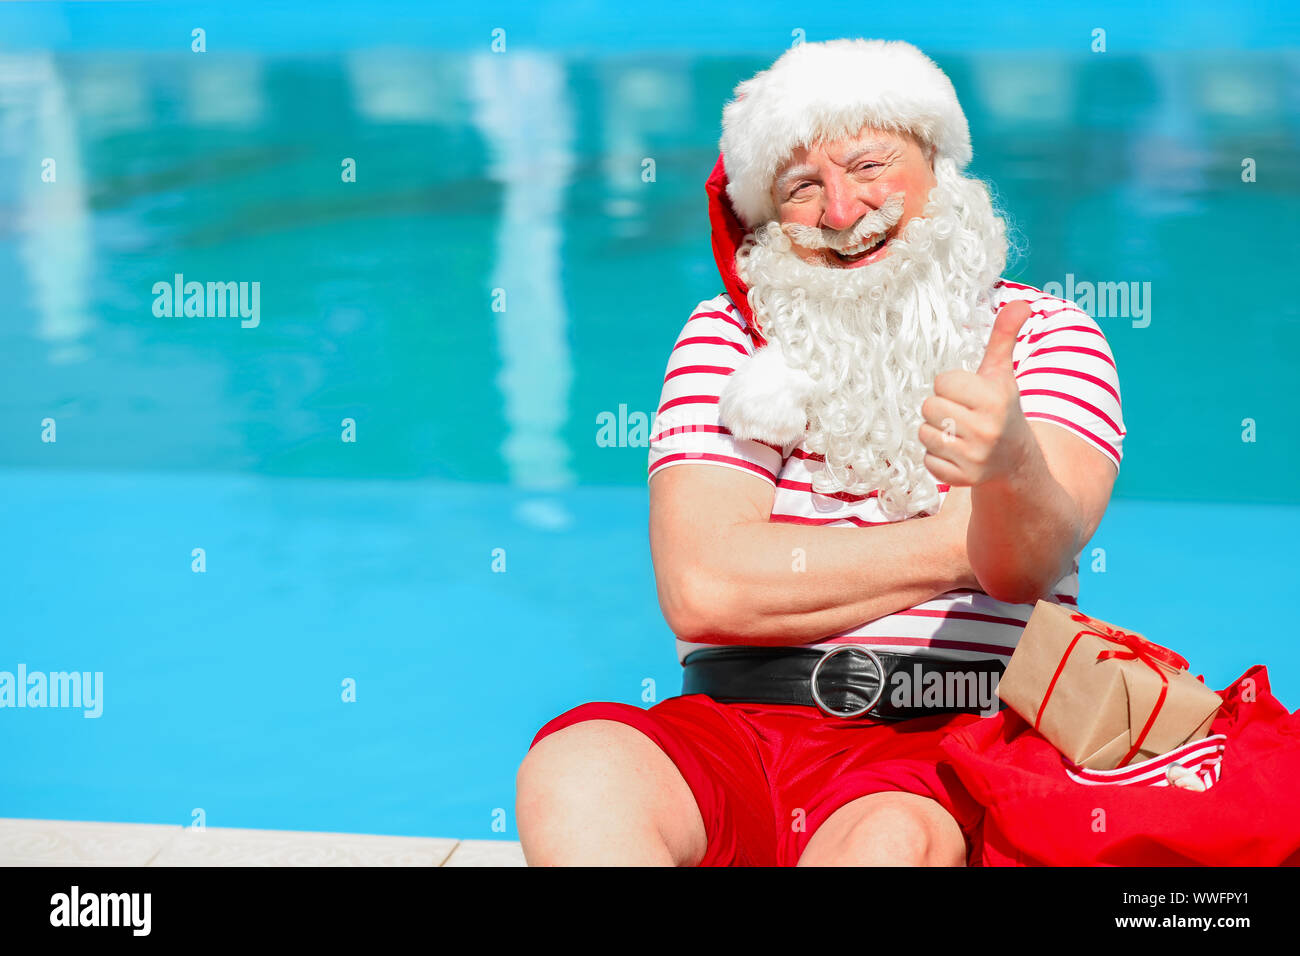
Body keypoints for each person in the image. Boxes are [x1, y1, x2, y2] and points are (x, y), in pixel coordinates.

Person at [516, 38, 1126, 866]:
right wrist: (957, 543)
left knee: (888, 839)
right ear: (769, 217)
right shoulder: (724, 335)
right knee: (577, 769)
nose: (843, 211)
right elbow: (704, 590)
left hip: (943, 734)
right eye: (803, 186)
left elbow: (1027, 562)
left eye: (871, 165)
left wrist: (1010, 458)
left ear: (938, 166)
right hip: (737, 728)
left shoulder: (1046, 335)